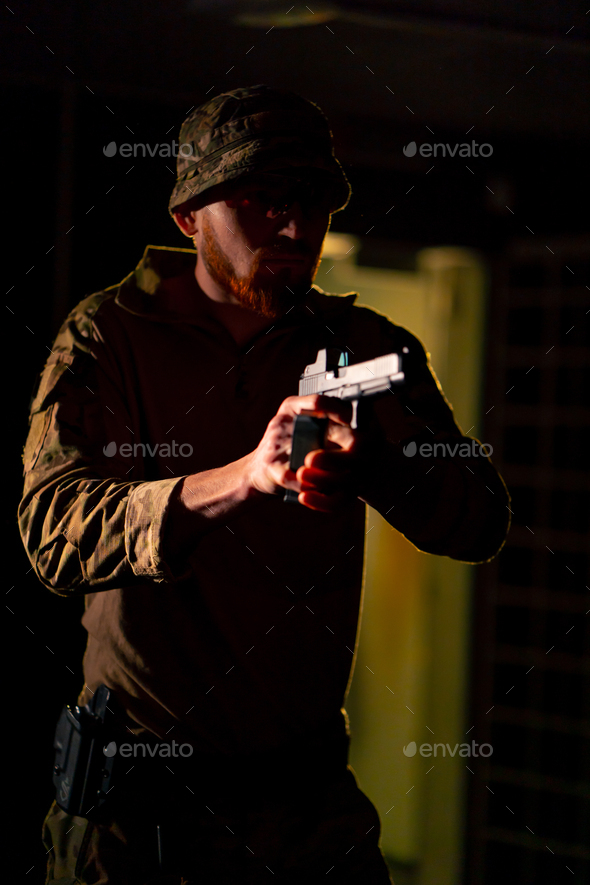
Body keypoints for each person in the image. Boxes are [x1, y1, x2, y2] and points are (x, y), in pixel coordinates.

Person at [19, 84, 510, 885]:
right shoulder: (108, 337)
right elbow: (54, 533)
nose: (293, 229)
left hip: (306, 819)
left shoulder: (365, 347)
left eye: (310, 203)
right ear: (189, 217)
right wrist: (239, 479)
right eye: (259, 201)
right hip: (139, 827)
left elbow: (480, 522)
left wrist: (378, 464)